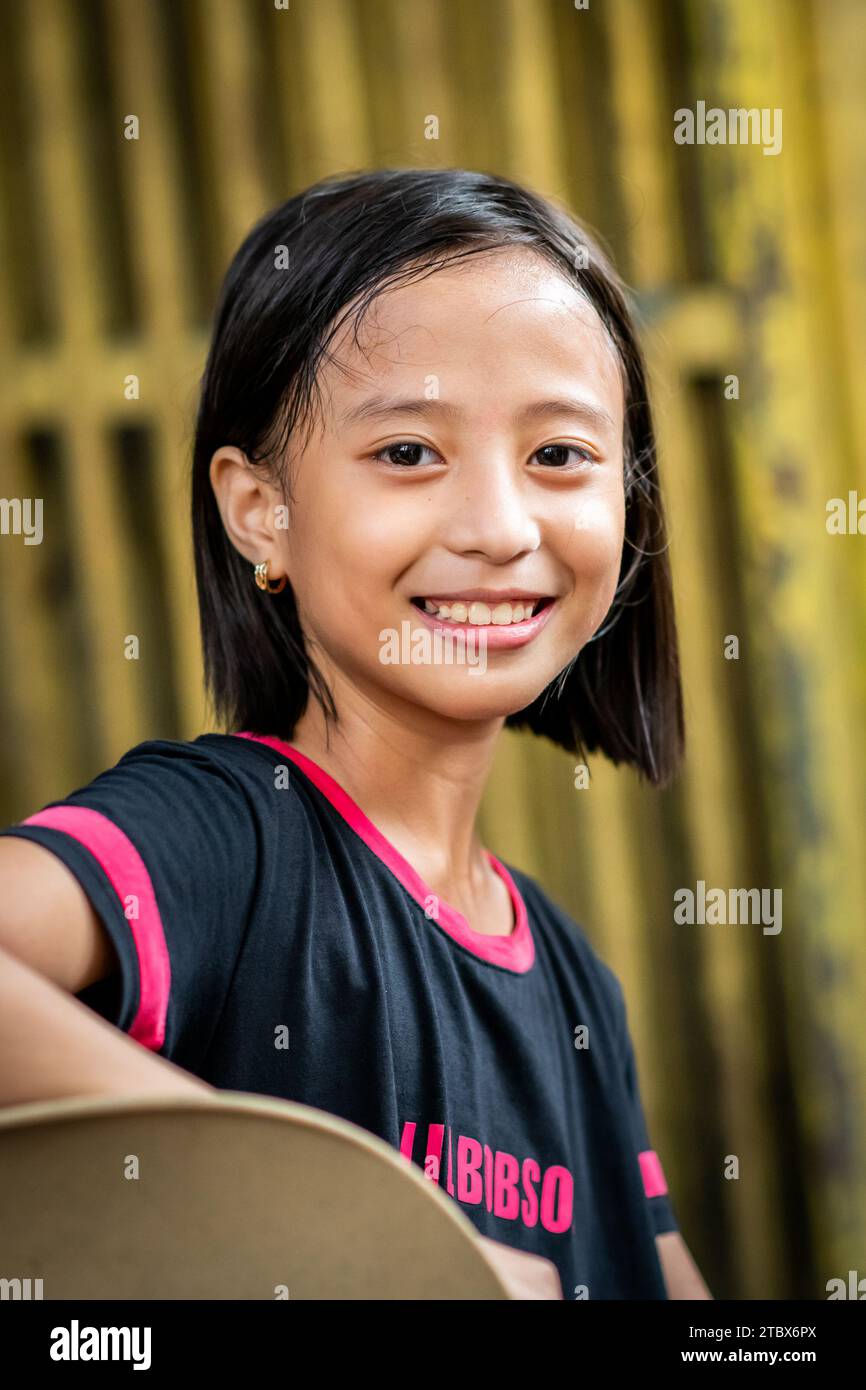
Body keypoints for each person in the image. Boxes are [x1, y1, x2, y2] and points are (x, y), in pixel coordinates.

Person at [0, 167, 711, 1300]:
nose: (497, 526)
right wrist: (373, 1242)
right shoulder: (226, 837)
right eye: (407, 453)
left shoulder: (574, 982)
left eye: (560, 455)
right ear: (257, 509)